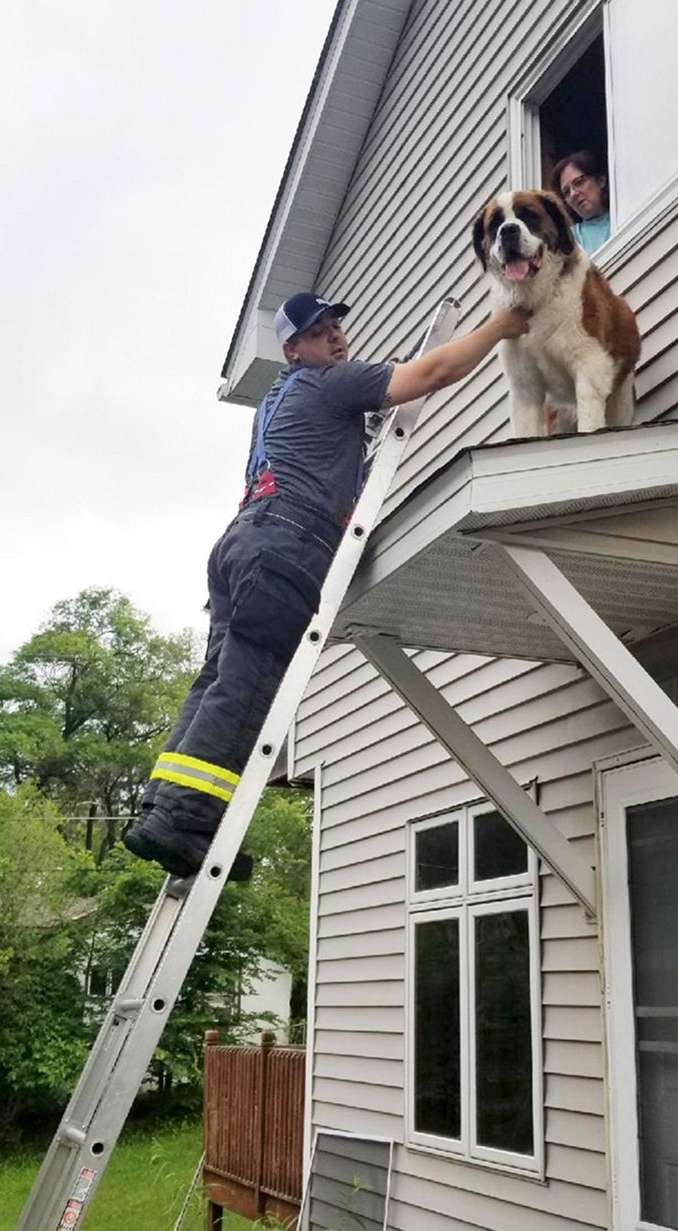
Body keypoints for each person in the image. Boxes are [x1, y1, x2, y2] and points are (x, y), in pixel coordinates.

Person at [123, 290, 529, 880]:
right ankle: (185, 822)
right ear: (292, 349)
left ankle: (160, 808)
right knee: (249, 682)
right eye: (318, 331)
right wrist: (502, 325)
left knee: (216, 679)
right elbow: (433, 371)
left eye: (336, 324)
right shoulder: (327, 383)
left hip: (242, 543)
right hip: (285, 546)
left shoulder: (274, 400)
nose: (335, 336)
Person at [551, 149, 611, 255]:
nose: (573, 194)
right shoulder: (570, 240)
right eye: (566, 192)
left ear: (601, 181)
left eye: (579, 182)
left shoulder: (622, 217)